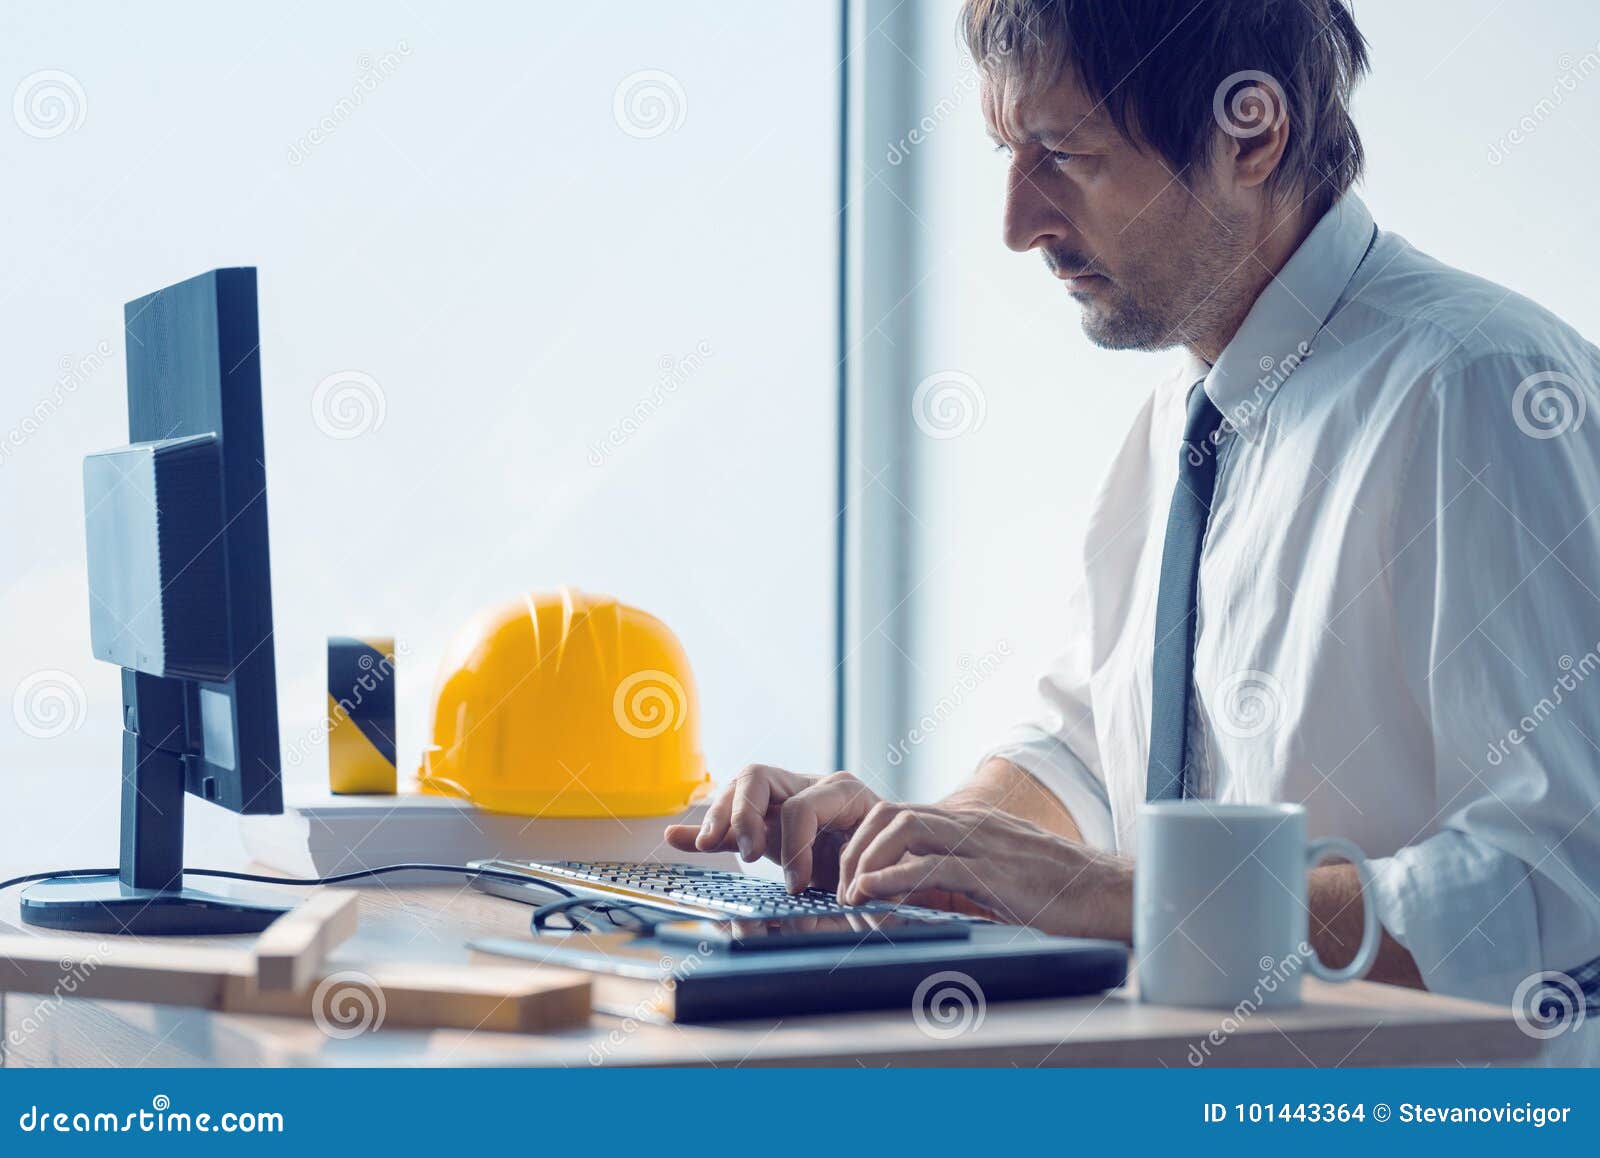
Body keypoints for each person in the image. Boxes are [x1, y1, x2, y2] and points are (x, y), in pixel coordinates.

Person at [665, 0, 1600, 1033]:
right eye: (1008, 153)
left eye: (1062, 153)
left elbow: (1554, 888)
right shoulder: (1182, 416)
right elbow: (1083, 753)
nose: (1016, 224)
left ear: (1252, 133)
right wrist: (923, 841)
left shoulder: (1477, 389)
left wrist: (1116, 900)